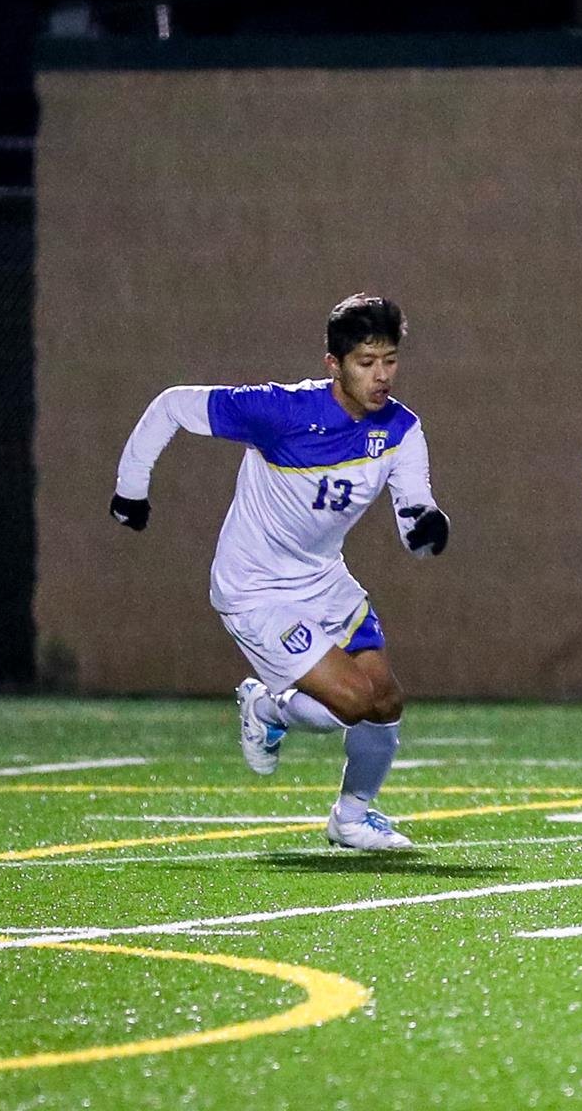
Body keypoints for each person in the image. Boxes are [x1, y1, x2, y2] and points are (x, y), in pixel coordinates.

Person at [108, 293, 450, 850]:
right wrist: (131, 488)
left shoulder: (402, 430)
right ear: (333, 365)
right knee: (349, 704)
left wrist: (428, 530)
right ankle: (265, 706)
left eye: (389, 360)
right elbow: (172, 405)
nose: (381, 375)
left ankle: (353, 818)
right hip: (255, 590)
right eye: (367, 363)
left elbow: (414, 513)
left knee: (385, 701)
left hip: (324, 579)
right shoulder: (280, 412)